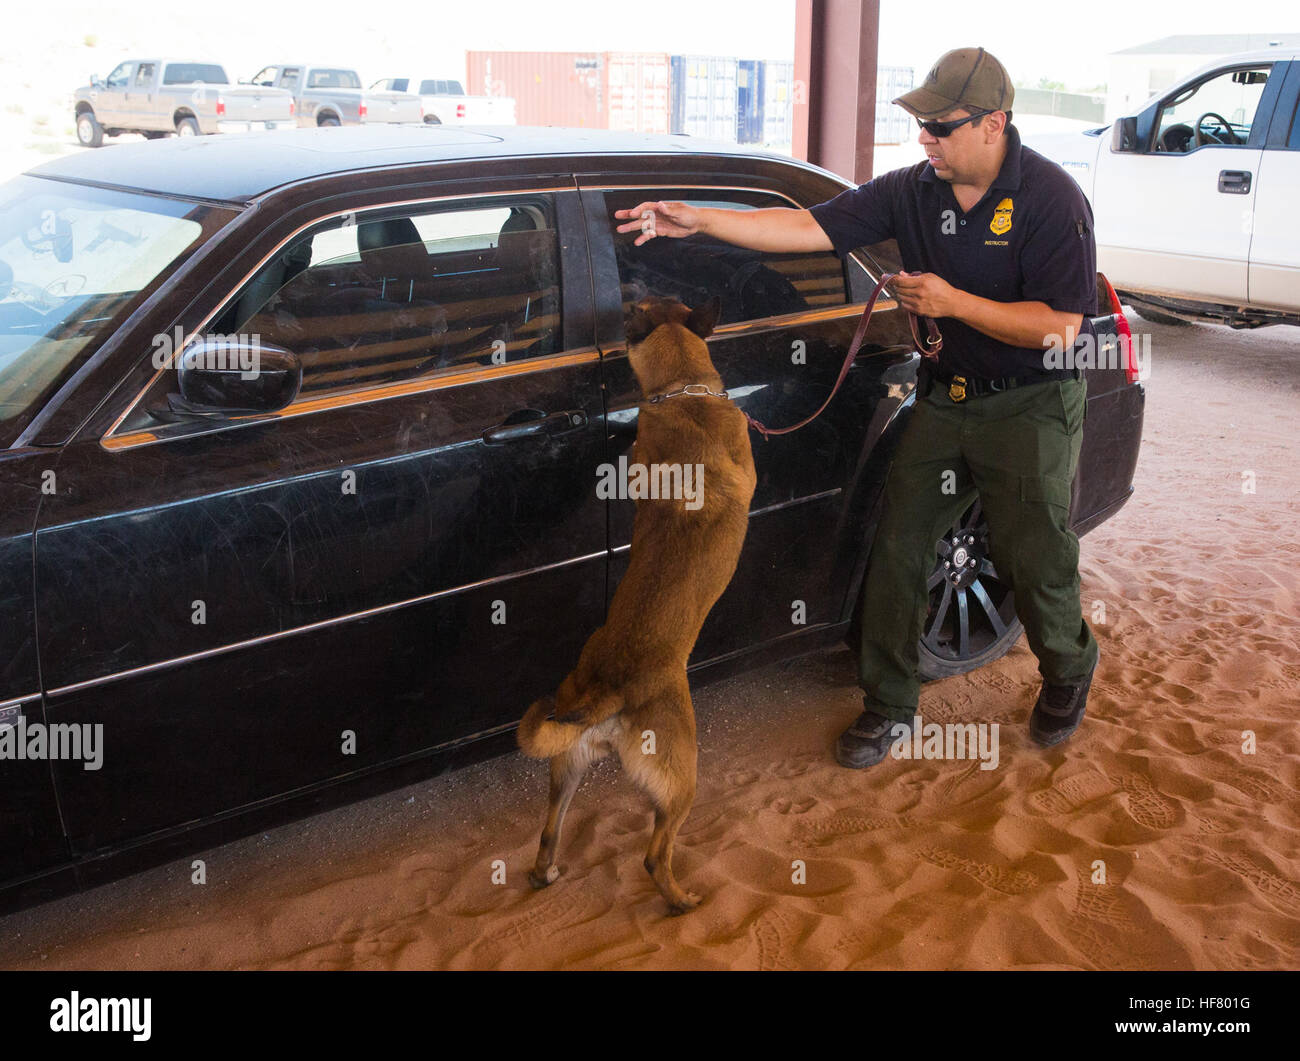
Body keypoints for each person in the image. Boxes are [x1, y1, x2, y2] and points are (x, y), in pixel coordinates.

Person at [614, 46, 1101, 768]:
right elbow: (812, 226)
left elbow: (1064, 327)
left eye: (942, 125)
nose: (925, 138)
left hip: (1029, 405)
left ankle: (1068, 667)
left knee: (1035, 560)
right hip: (947, 400)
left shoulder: (1053, 200)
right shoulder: (912, 189)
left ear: (995, 122)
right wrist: (703, 220)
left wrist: (953, 302)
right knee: (898, 548)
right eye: (922, 124)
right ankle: (890, 704)